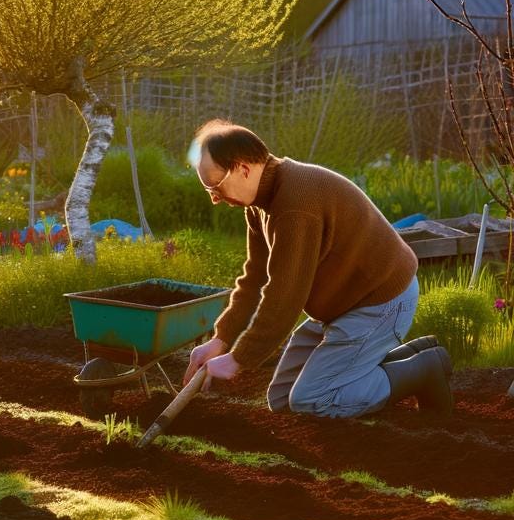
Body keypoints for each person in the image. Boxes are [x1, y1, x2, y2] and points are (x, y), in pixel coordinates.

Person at [182, 119, 452, 418]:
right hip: (346, 307)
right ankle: (409, 355)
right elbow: (254, 280)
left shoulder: (295, 205)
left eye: (215, 186)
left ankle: (424, 370)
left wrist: (239, 360)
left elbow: (285, 296)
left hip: (381, 302)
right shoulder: (260, 205)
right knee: (284, 398)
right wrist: (220, 339)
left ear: (243, 168)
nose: (215, 199)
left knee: (312, 400)